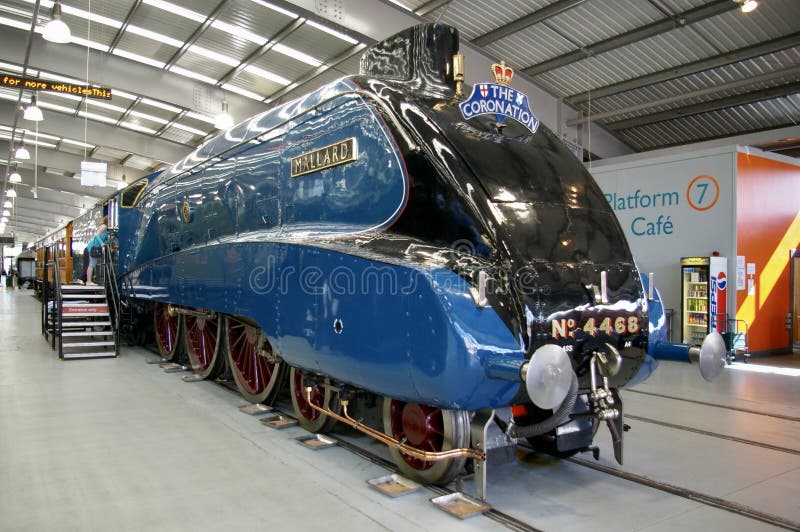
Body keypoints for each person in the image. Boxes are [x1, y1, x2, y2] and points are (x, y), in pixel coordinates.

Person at [85, 218, 108, 285]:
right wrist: (101, 243)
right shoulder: (104, 226)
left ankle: (89, 281)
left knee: (93, 264)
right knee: (92, 264)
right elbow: (97, 235)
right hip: (93, 246)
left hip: (95, 246)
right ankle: (88, 281)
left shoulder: (105, 227)